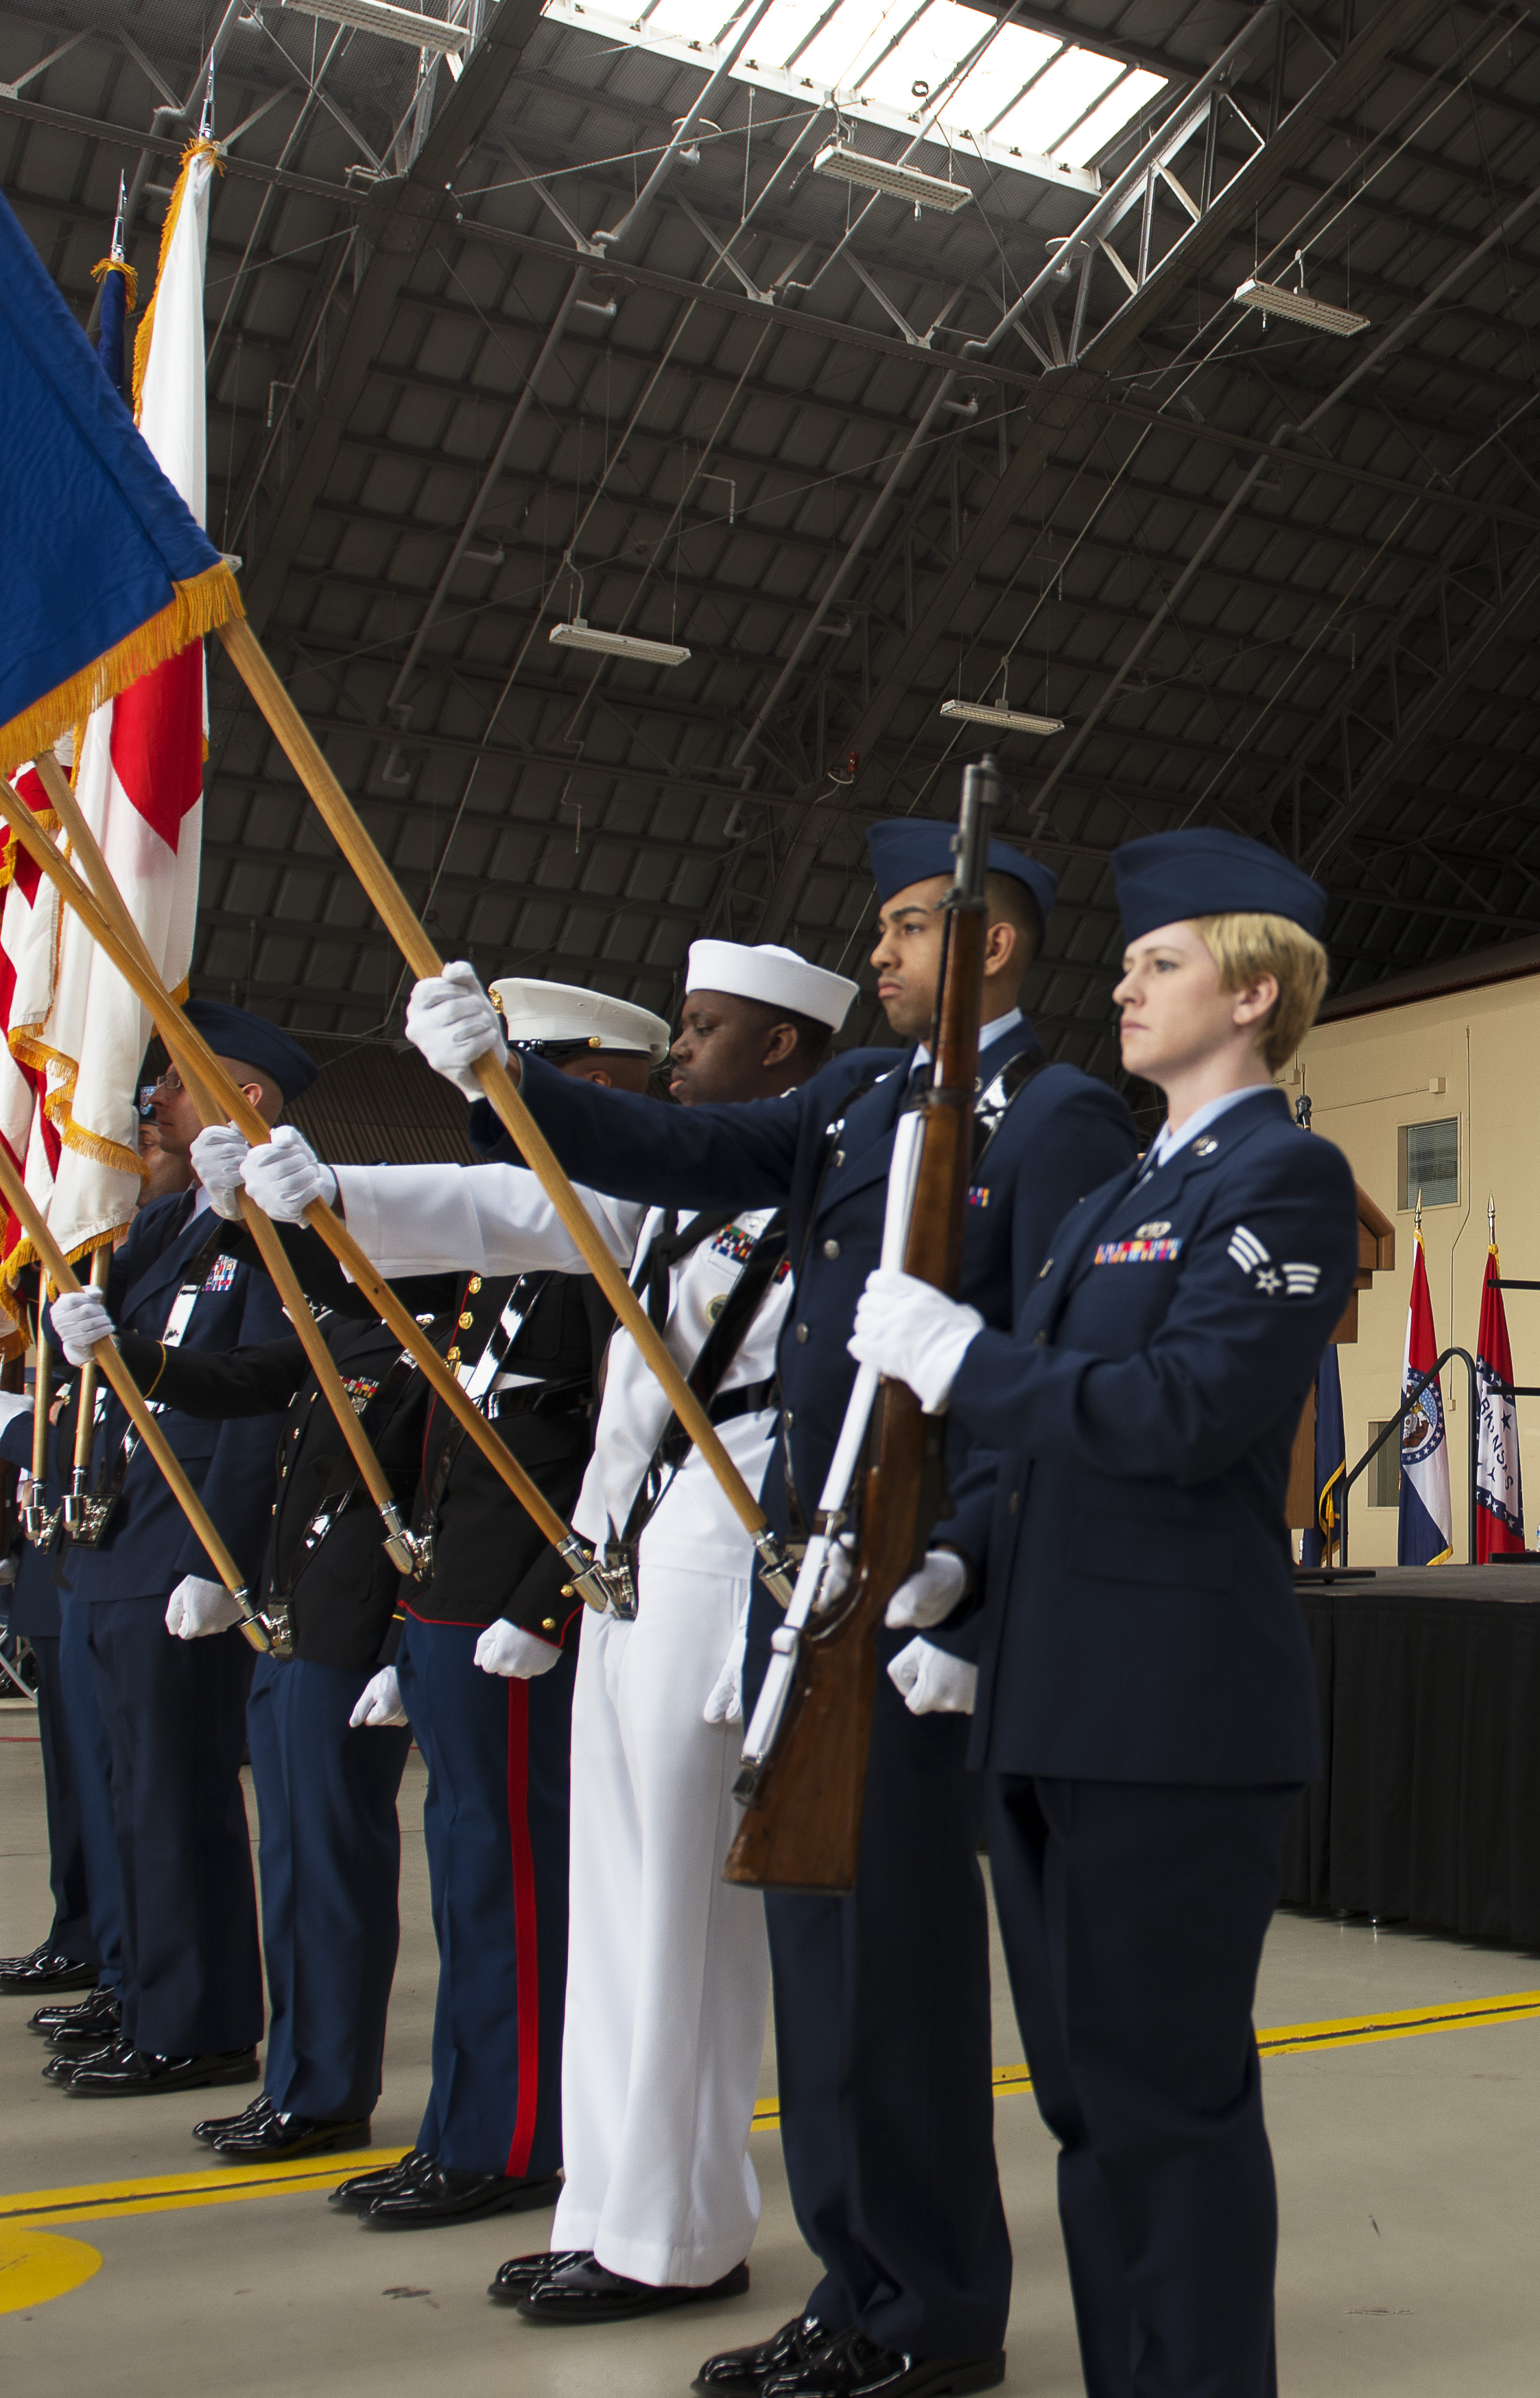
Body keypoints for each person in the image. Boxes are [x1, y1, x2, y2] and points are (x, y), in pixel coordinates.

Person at [394, 829, 1128, 2384]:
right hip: (796, 1585)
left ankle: (930, 2318)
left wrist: (971, 1577)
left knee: (899, 1978)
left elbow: (1051, 1365)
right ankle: (854, 2288)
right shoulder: (859, 1097)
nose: (877, 955)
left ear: (989, 946)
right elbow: (686, 1160)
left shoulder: (1059, 1119)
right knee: (818, 1972)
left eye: (907, 929)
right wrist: (507, 1088)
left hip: (914, 1590)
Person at [238, 954, 860, 2300]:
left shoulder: (811, 1183)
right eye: (681, 1026)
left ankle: (682, 2234)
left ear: (783, 1052)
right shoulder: (660, 1205)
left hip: (721, 1551)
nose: (680, 1050)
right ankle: (614, 2203)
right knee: (619, 1905)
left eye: (707, 1029)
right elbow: (508, 1204)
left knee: (684, 1919)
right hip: (628, 1559)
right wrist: (339, 1196)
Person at [849, 824, 1357, 2398]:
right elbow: (1046, 1447)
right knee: (1085, 2107)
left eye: (1159, 962)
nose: (1123, 987)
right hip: (1052, 1696)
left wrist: (960, 1360)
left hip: (1170, 1716)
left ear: (1254, 991)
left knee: (1168, 2103)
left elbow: (1185, 1410)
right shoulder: (1118, 1193)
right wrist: (962, 1560)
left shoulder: (1285, 1177)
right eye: (1128, 963)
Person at [50, 1260, 436, 2164]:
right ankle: (296, 2082)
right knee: (291, 1866)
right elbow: (231, 1380)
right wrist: (121, 1347)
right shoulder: (336, 1332)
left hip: (355, 1627)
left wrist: (397, 1650)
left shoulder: (430, 1342)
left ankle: (330, 2089)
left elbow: (431, 1504)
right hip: (290, 1620)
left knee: (333, 1868)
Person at [48, 1001, 325, 2100]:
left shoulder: (277, 1231)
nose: (152, 1098)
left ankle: (198, 2020)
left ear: (247, 1099)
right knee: (127, 1790)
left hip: (186, 1547)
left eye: (175, 1077)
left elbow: (265, 1403)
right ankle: (138, 1985)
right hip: (123, 1535)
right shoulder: (174, 1231)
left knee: (179, 1795)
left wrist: (225, 1561)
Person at [0, 1367, 121, 2006]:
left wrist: (17, 1428)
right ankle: (78, 1930)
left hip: (92, 1576)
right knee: (69, 1786)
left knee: (93, 1782)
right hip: (52, 1575)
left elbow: (90, 1456)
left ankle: (100, 1941)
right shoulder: (63, 1382)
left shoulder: (106, 1368)